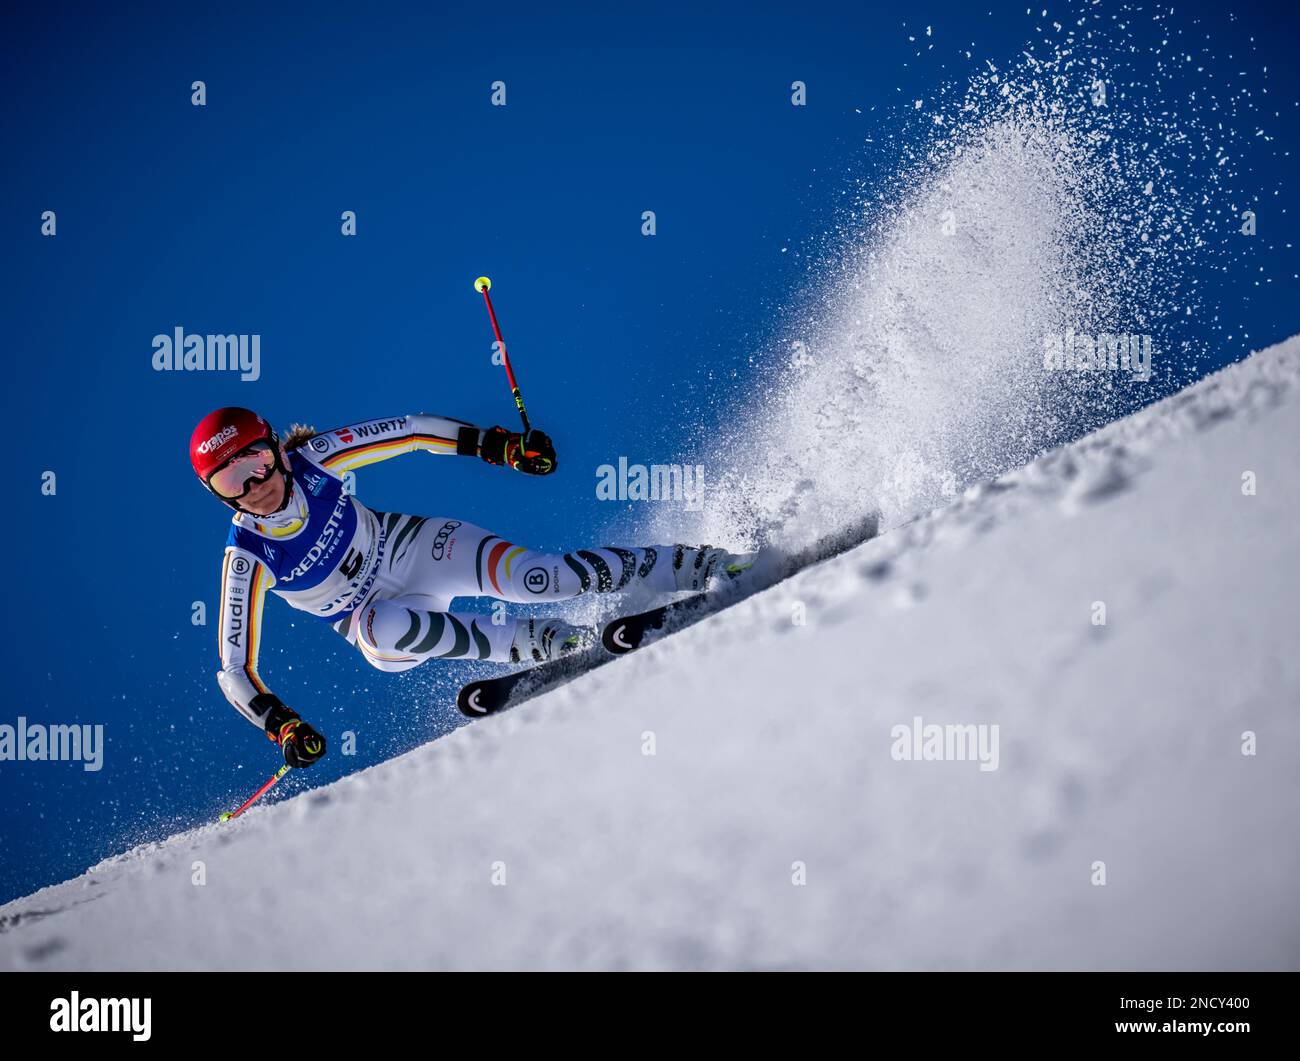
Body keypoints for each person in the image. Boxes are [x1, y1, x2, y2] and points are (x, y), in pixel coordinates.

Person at [189, 407, 751, 768]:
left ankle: (697, 563)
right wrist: (279, 723)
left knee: (544, 578)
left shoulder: (314, 459)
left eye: (258, 461)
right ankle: (556, 644)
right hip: (374, 619)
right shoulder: (248, 556)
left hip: (410, 547)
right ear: (218, 495)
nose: (257, 484)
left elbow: (409, 430)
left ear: (276, 450)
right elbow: (232, 669)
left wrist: (496, 446)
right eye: (233, 480)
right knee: (381, 630)